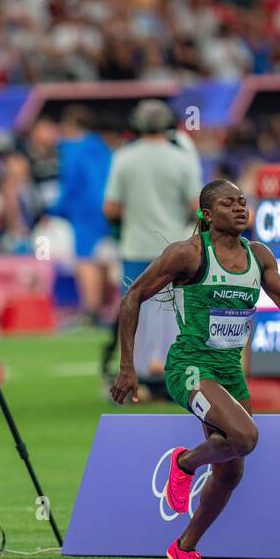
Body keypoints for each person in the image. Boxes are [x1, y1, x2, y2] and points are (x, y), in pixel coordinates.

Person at [112, 180, 280, 559]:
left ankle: (184, 548)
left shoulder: (259, 255)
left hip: (230, 372)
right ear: (205, 213)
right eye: (227, 203)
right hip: (191, 368)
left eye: (242, 202)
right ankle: (183, 463)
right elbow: (133, 297)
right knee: (247, 436)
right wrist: (127, 366)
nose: (239, 208)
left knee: (232, 473)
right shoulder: (188, 254)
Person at [103, 99, 203, 398]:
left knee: (136, 312)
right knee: (174, 318)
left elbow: (110, 208)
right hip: (173, 247)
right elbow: (197, 206)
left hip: (136, 246)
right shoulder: (181, 158)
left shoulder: (124, 157)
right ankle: (173, 379)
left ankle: (138, 379)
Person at [53, 106, 114, 326]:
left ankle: (90, 309)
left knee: (85, 258)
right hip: (108, 209)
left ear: (70, 126)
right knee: (103, 258)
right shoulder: (103, 147)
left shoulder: (72, 148)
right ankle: (105, 308)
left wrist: (55, 209)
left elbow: (70, 183)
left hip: (85, 211)